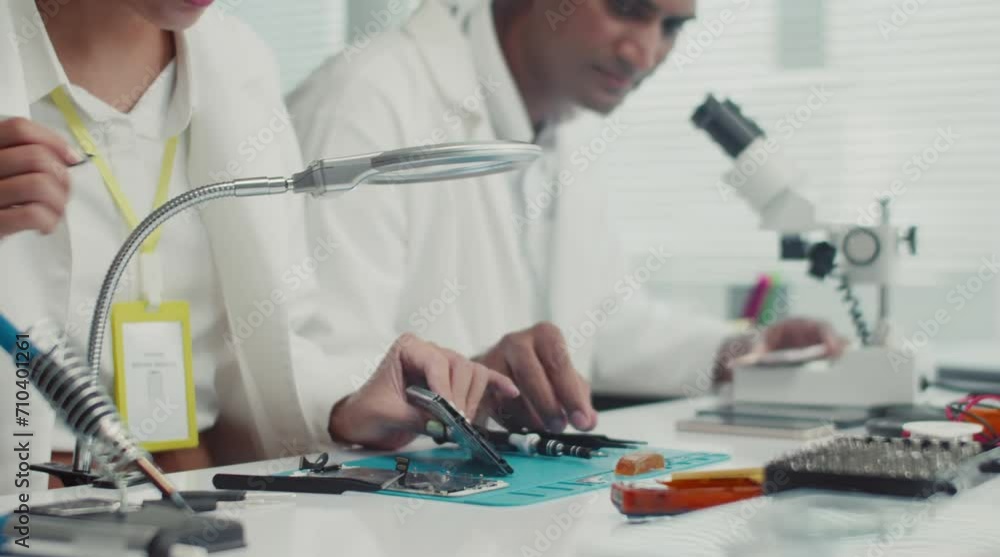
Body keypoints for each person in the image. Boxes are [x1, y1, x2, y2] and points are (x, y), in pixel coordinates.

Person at [0, 0, 518, 492]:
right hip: (29, 512)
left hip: (189, 503)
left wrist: (344, 408)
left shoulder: (238, 64)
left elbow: (277, 339)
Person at [288, 0, 844, 441]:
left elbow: (604, 321)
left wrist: (737, 354)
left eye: (673, 25)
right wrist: (464, 385)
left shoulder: (564, 123)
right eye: (626, 8)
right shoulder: (366, 101)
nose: (645, 53)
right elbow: (318, 377)